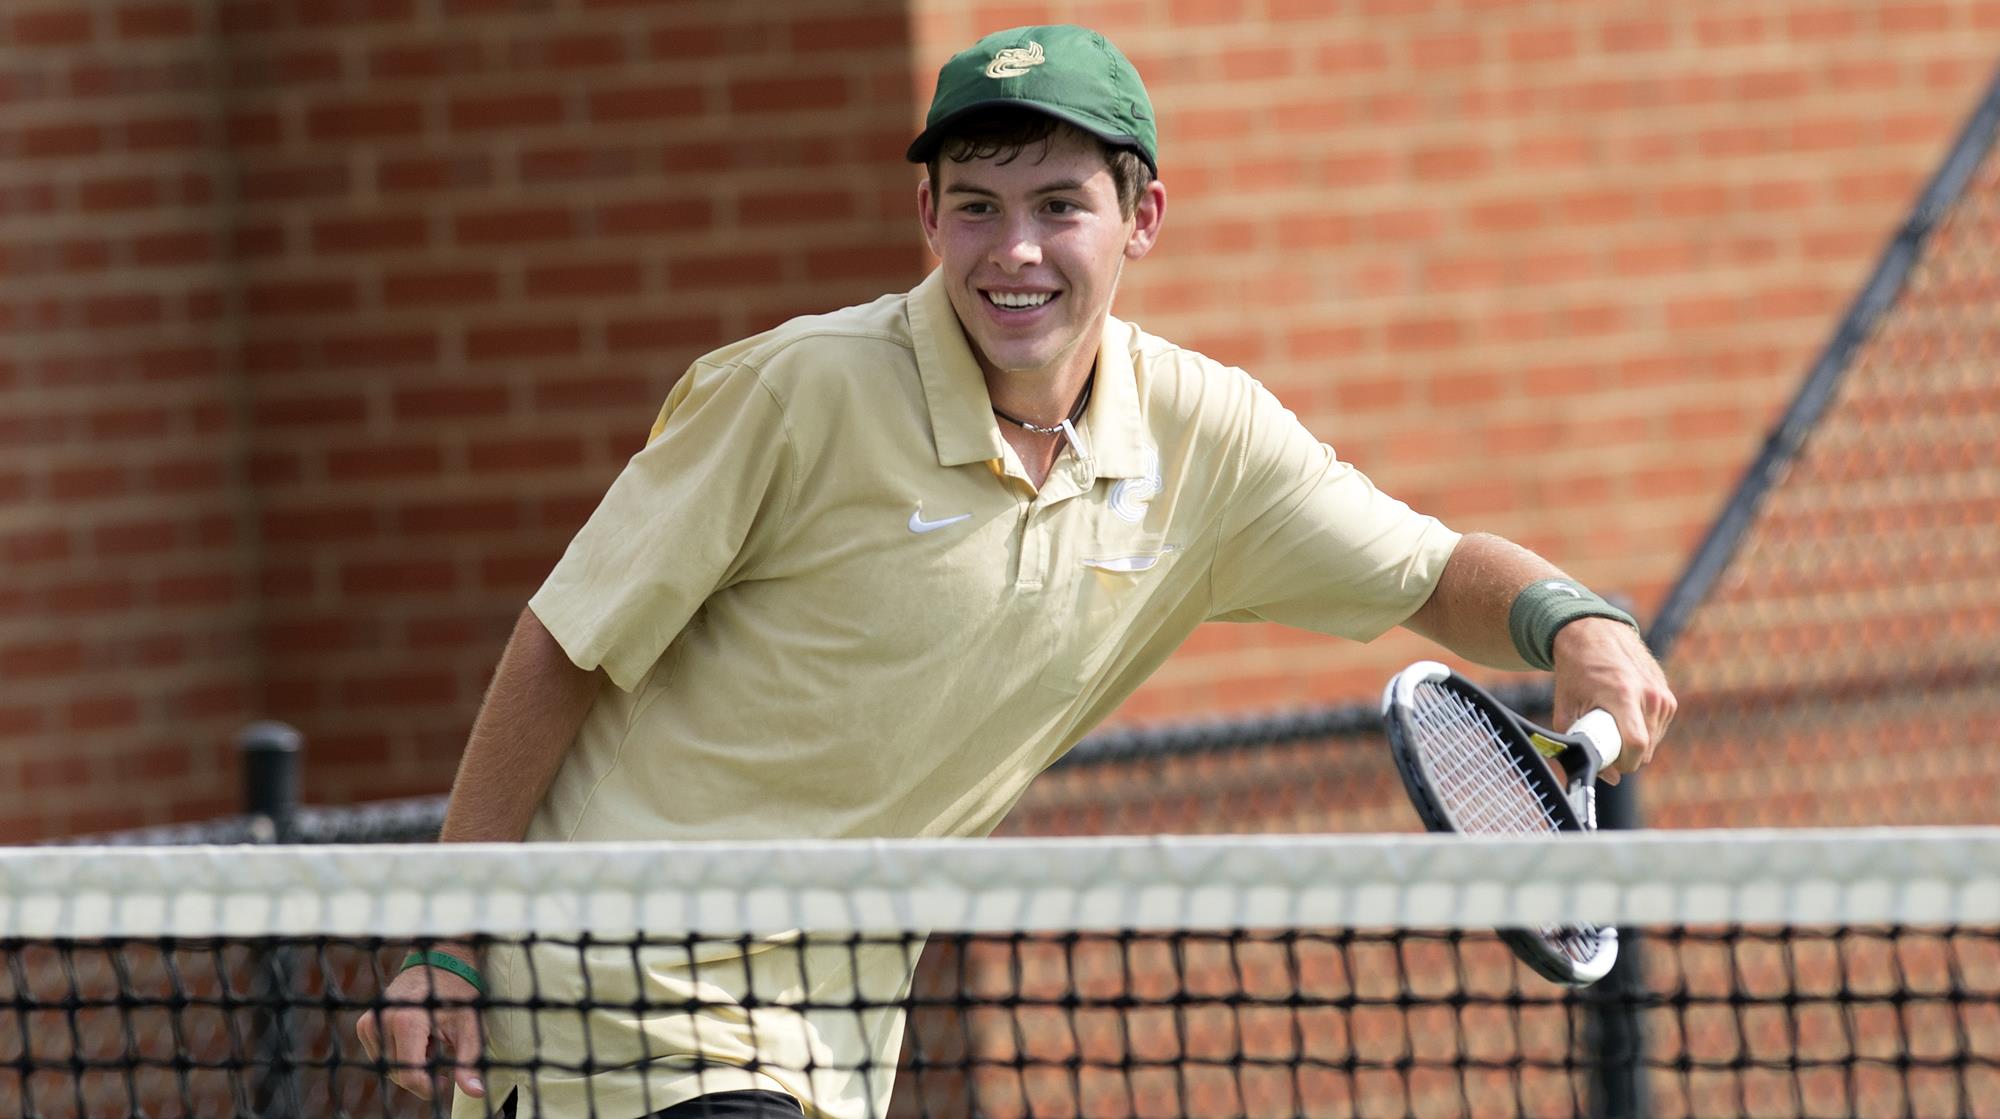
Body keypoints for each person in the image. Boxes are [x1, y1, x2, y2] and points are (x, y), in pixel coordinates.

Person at [356, 23, 1676, 1119]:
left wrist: (1574, 621)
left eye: (1060, 207)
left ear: (1142, 216)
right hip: (616, 1001)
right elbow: (562, 644)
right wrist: (442, 939)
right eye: (977, 208)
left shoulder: (1203, 436)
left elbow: (1433, 571)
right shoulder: (792, 395)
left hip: (829, 1041)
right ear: (927, 213)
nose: (1016, 251)